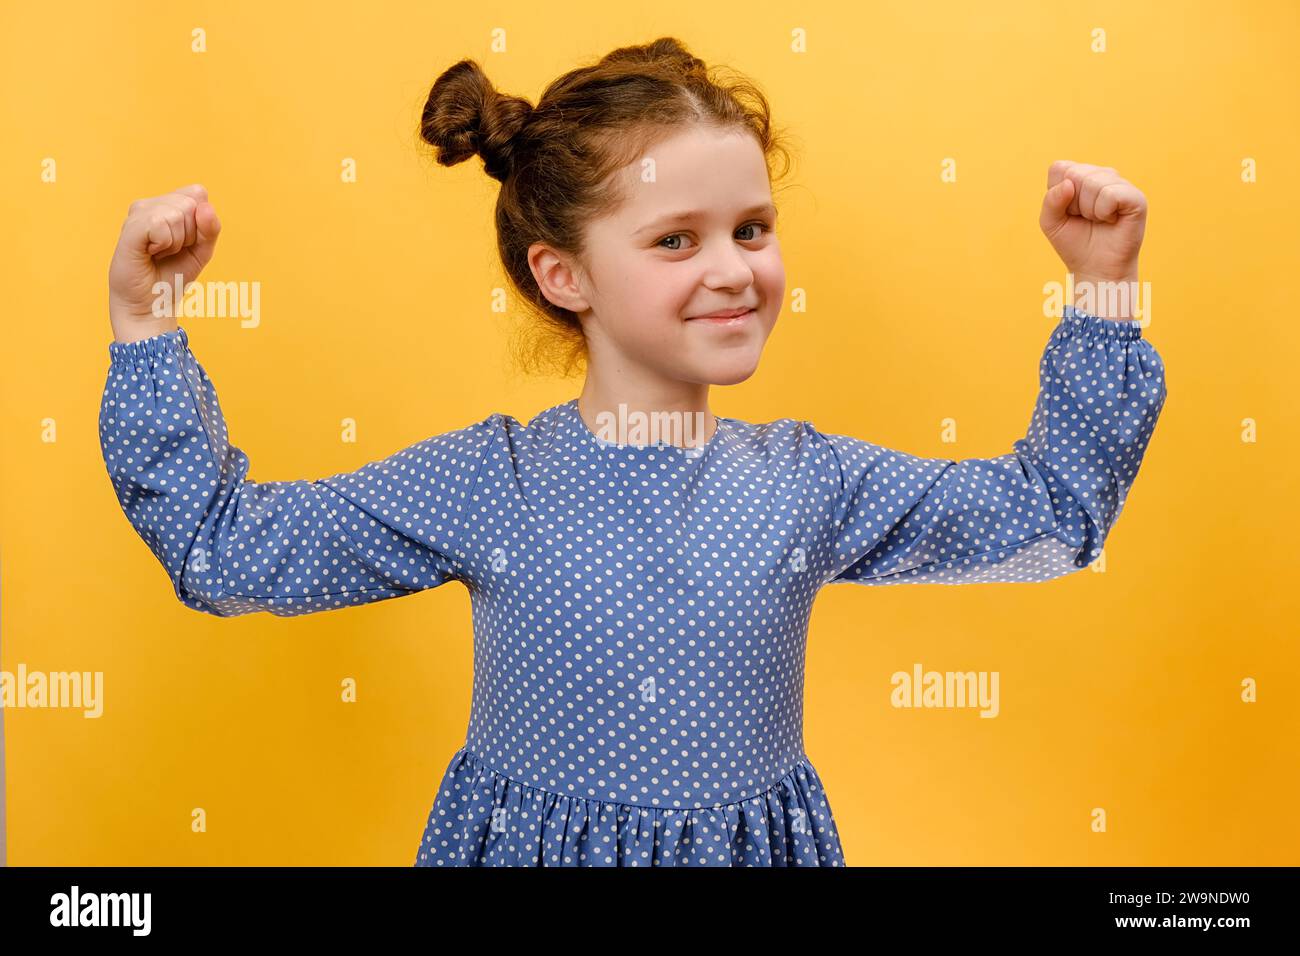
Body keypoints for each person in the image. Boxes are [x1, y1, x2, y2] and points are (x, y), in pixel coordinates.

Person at [98, 36, 1167, 867]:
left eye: (751, 228)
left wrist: (1102, 288)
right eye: (675, 239)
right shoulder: (490, 482)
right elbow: (224, 554)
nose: (734, 269)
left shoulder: (808, 482)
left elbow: (1050, 521)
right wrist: (147, 321)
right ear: (563, 275)